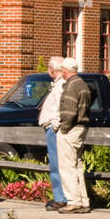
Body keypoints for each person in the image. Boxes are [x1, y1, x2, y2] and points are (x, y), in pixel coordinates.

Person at [53, 58, 92, 213]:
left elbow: (69, 112)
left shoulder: (71, 85)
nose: (61, 71)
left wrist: (63, 128)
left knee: (67, 166)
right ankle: (83, 201)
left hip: (71, 129)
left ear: (66, 70)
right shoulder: (82, 84)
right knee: (77, 166)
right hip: (82, 127)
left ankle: (74, 201)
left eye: (62, 69)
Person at [37, 57, 67, 208]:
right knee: (55, 164)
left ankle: (60, 198)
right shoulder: (57, 84)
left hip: (54, 129)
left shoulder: (61, 85)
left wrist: (54, 125)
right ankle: (60, 196)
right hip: (52, 128)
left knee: (56, 165)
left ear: (53, 70)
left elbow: (60, 109)